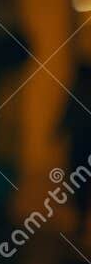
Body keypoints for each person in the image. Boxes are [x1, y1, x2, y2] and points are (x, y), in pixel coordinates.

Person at [58, 64, 91, 238]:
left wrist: (58, 130)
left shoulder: (78, 91)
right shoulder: (78, 92)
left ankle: (81, 216)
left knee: (78, 180)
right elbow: (68, 112)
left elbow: (68, 113)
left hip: (81, 142)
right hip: (80, 142)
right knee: (79, 180)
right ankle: (81, 216)